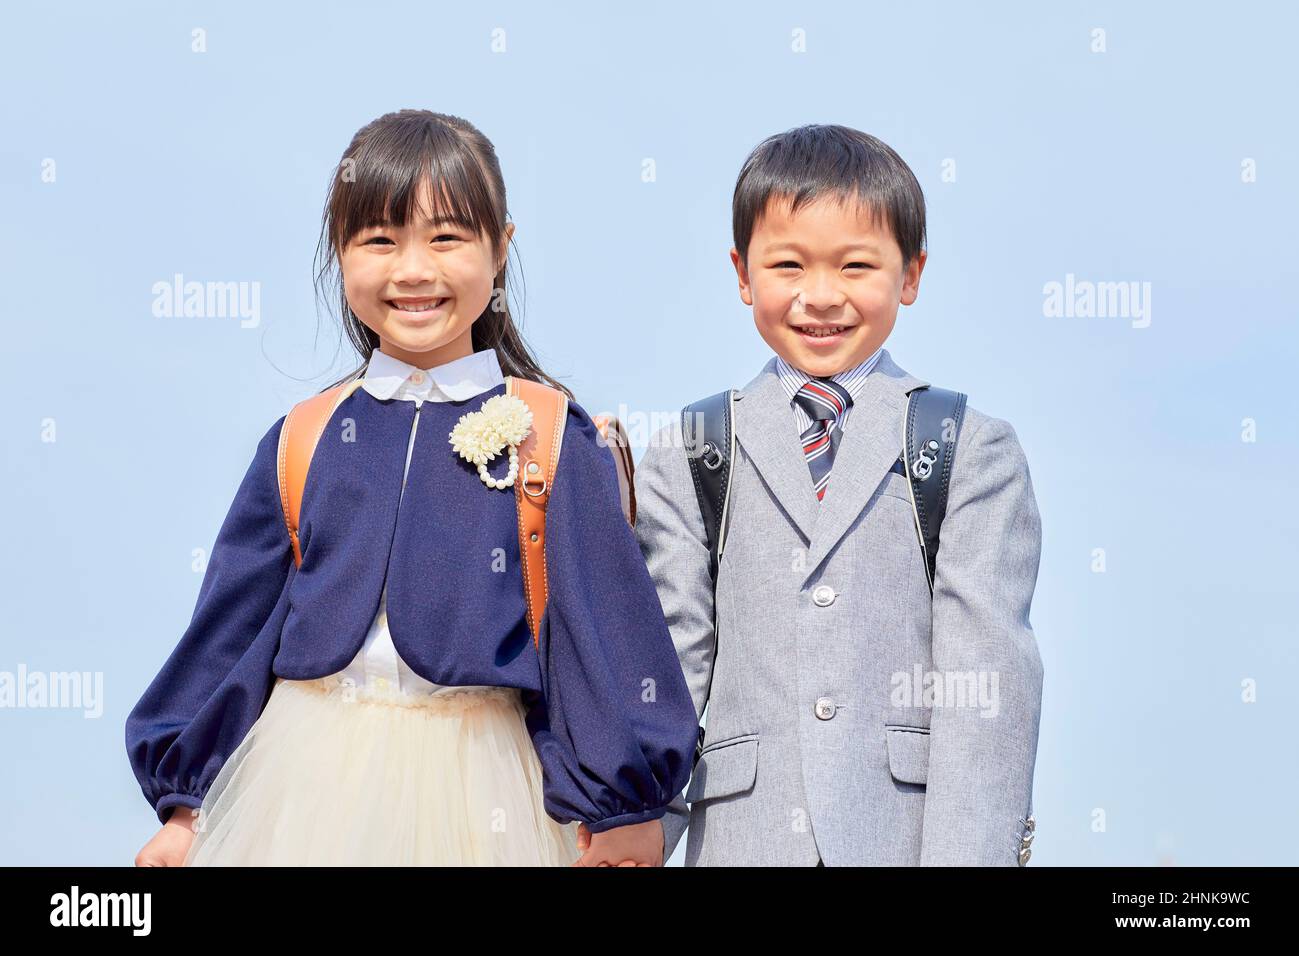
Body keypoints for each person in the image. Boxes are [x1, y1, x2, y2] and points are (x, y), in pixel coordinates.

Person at [126, 109, 697, 867]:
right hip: (301, 788)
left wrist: (627, 804)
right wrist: (189, 806)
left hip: (486, 796)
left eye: (447, 237)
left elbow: (600, 631)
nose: (414, 269)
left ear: (501, 248)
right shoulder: (304, 437)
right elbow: (232, 634)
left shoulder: (552, 435)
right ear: (341, 251)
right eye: (380, 239)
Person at [635, 124, 1044, 866]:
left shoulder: (965, 446)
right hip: (740, 844)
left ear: (911, 274)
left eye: (857, 266)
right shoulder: (692, 446)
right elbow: (673, 670)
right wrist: (635, 833)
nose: (820, 296)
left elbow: (983, 690)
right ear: (742, 273)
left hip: (903, 843)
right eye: (787, 265)